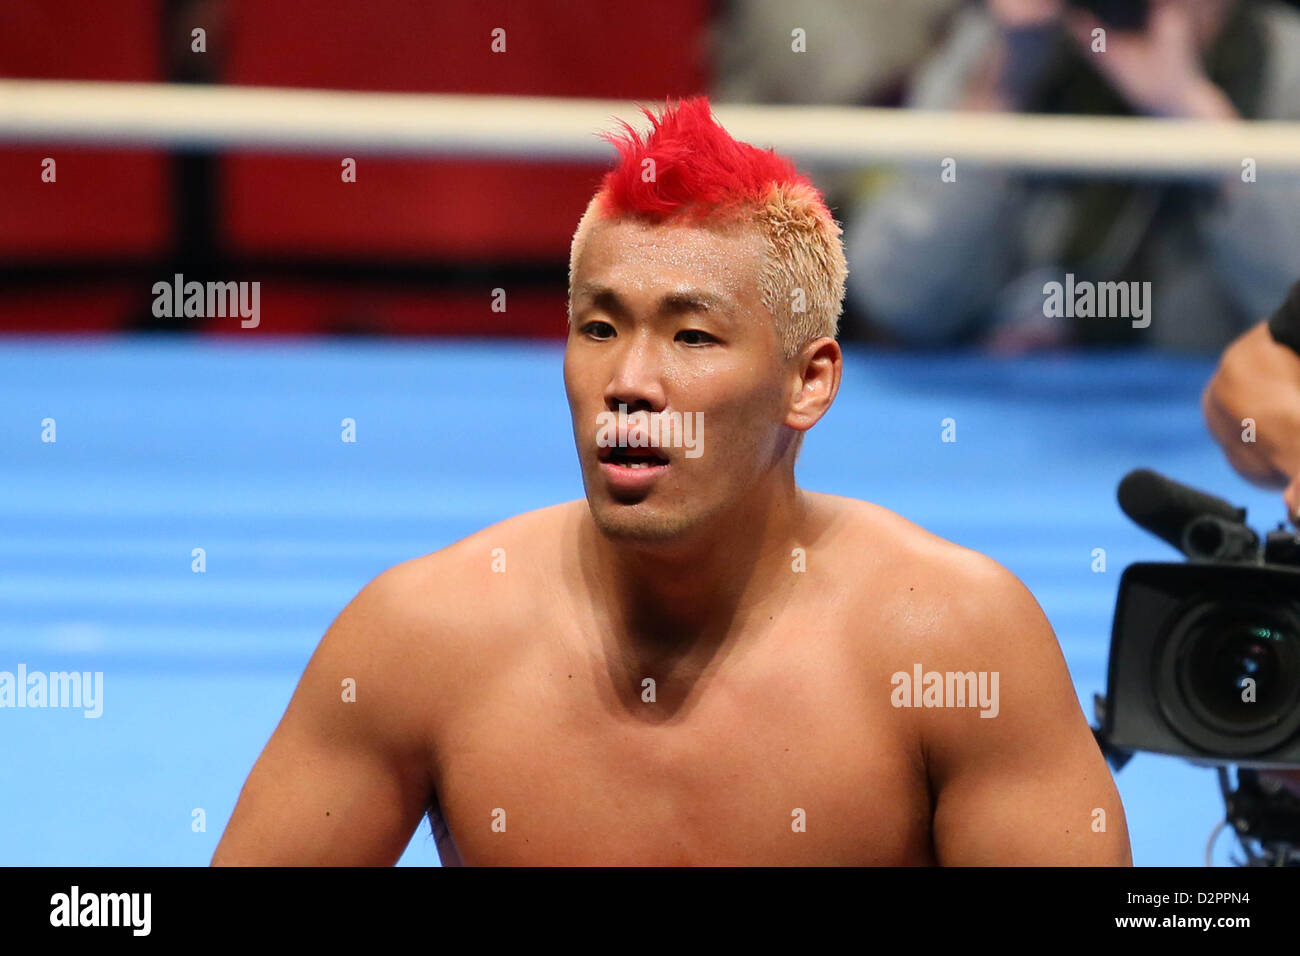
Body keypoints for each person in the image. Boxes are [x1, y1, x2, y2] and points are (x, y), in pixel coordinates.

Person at [211, 97, 1131, 866]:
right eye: (600, 328)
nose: (630, 384)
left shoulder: (956, 642)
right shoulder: (422, 636)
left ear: (808, 382)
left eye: (691, 336)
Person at [844, 0, 1300, 354]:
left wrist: (1198, 115)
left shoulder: (1281, 63)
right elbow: (899, 300)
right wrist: (1002, 91)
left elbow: (1292, 319)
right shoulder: (1000, 48)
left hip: (1199, 428)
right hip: (999, 424)